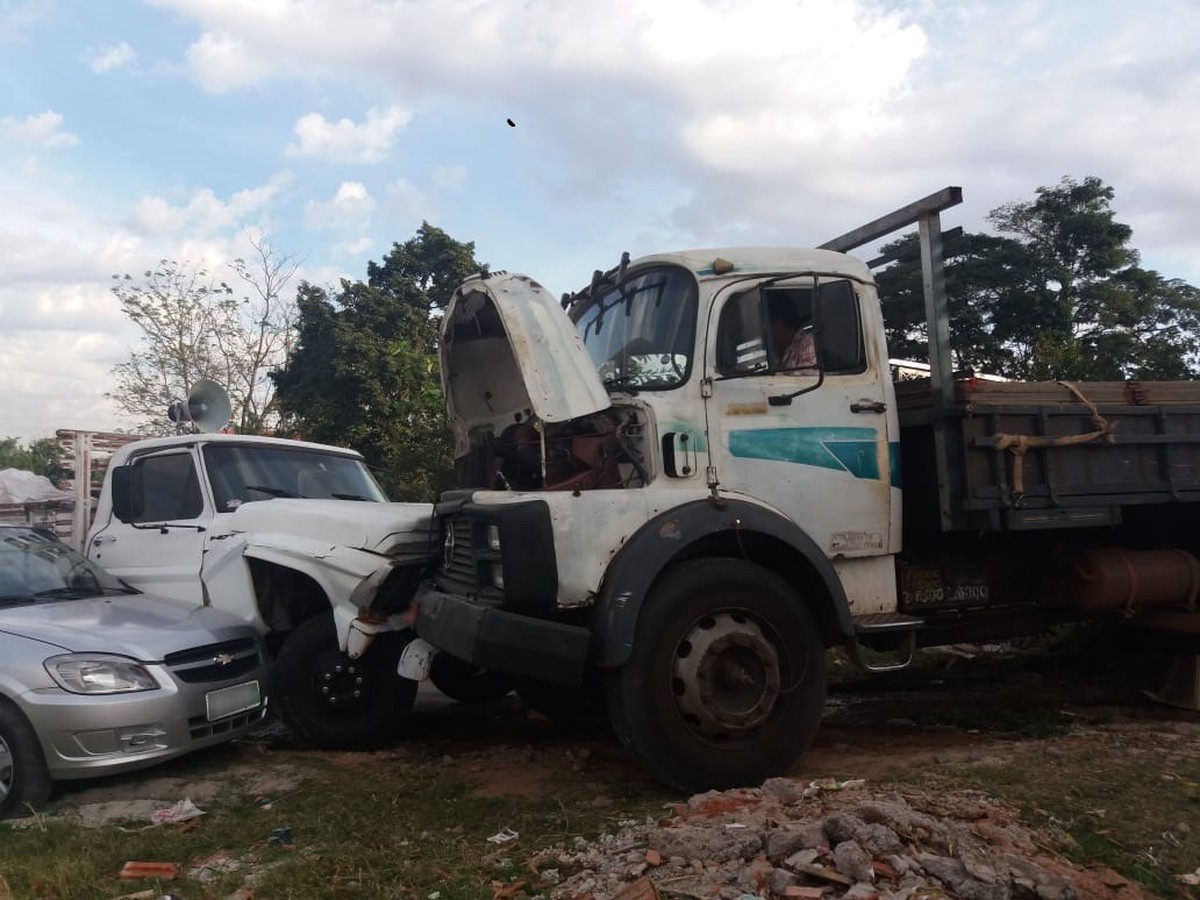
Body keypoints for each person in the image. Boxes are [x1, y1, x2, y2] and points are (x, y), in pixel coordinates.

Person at [766, 297, 818, 371]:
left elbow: (807, 376)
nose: (766, 330)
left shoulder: (808, 345)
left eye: (768, 325)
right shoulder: (776, 350)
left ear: (779, 322)